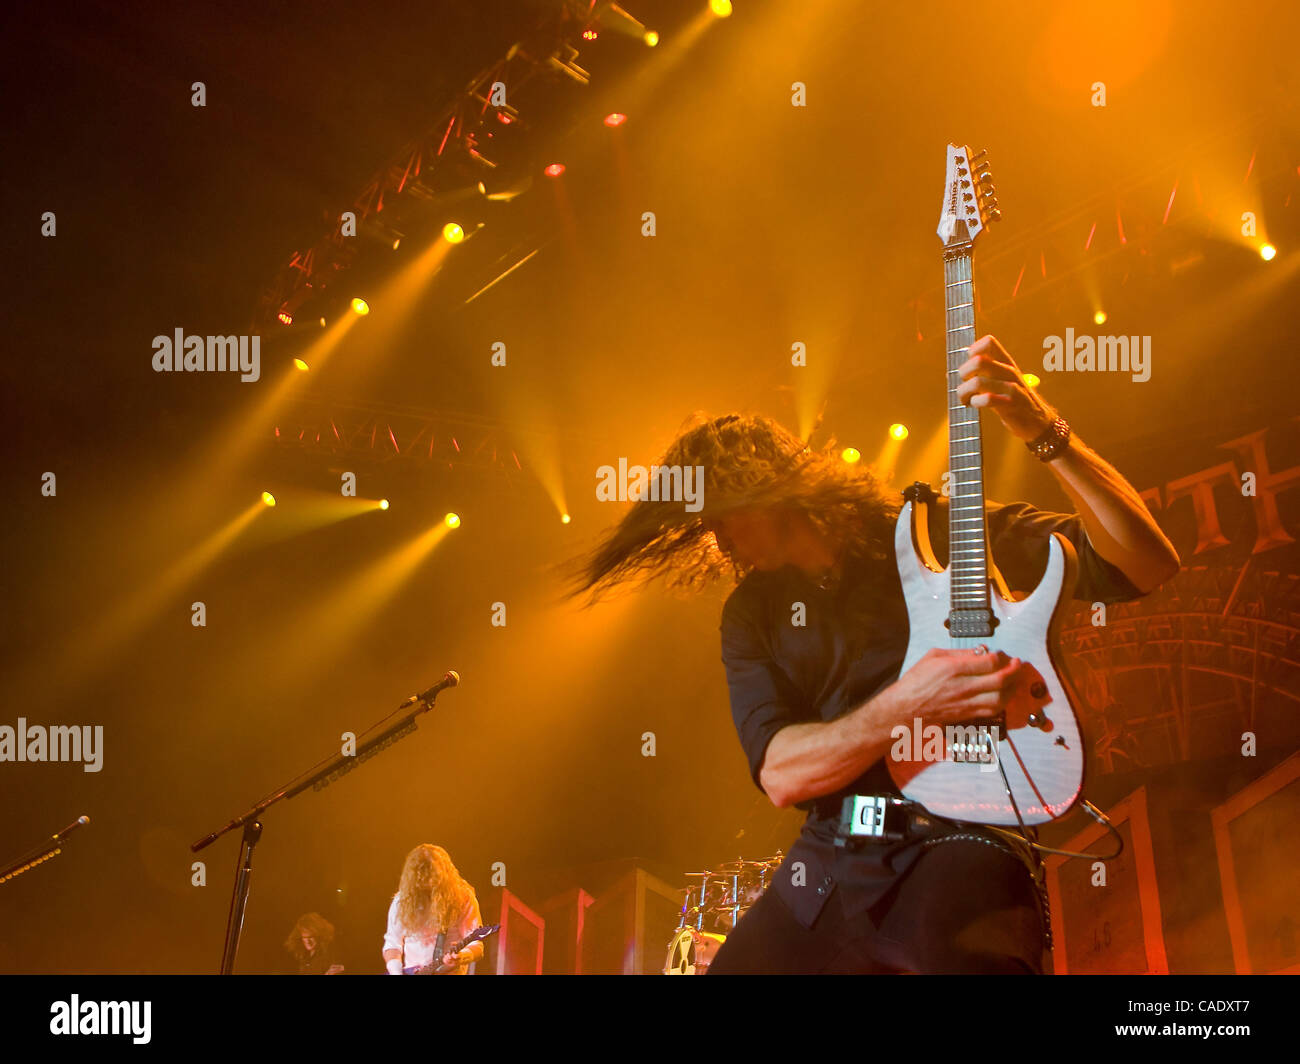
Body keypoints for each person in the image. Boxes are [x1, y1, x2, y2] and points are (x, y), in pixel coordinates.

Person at [573, 336, 1180, 974]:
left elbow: (1145, 562)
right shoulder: (751, 613)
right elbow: (783, 774)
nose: (717, 538)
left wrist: (1044, 430)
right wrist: (909, 700)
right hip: (831, 857)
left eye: (721, 516)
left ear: (765, 491)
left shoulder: (936, 532)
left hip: (963, 837)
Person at [382, 844, 485, 975]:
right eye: (422, 888)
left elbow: (477, 944)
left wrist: (462, 956)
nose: (427, 893)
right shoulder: (402, 901)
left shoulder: (462, 898)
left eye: (433, 887)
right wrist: (396, 972)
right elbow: (392, 944)